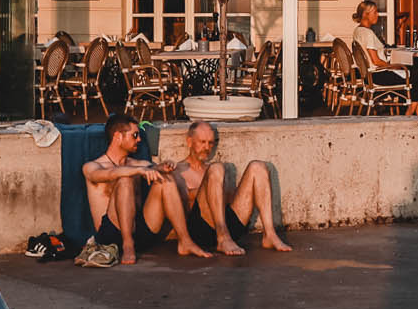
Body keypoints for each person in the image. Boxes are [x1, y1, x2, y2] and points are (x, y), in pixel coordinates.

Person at [81, 113, 210, 265]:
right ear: (118, 137)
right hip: (111, 236)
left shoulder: (138, 163)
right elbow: (111, 173)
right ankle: (127, 244)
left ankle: (185, 241)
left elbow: (152, 169)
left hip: (141, 232)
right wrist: (139, 171)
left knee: (165, 181)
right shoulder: (92, 166)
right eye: (135, 135)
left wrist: (163, 167)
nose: (139, 140)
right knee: (125, 180)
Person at [170, 121, 291, 255]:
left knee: (258, 167)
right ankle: (222, 237)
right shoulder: (178, 171)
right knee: (217, 168)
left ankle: (269, 234)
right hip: (201, 230)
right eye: (202, 142)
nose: (207, 147)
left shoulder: (212, 172)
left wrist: (236, 192)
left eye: (210, 143)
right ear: (189, 141)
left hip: (230, 225)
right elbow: (179, 202)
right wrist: (210, 190)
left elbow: (230, 198)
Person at [351, 0, 418, 115]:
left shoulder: (358, 31)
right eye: (375, 12)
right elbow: (376, 61)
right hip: (378, 75)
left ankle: (417, 115)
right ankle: (409, 114)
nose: (377, 15)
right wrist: (394, 67)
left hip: (369, 75)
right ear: (365, 15)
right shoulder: (368, 34)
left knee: (416, 78)